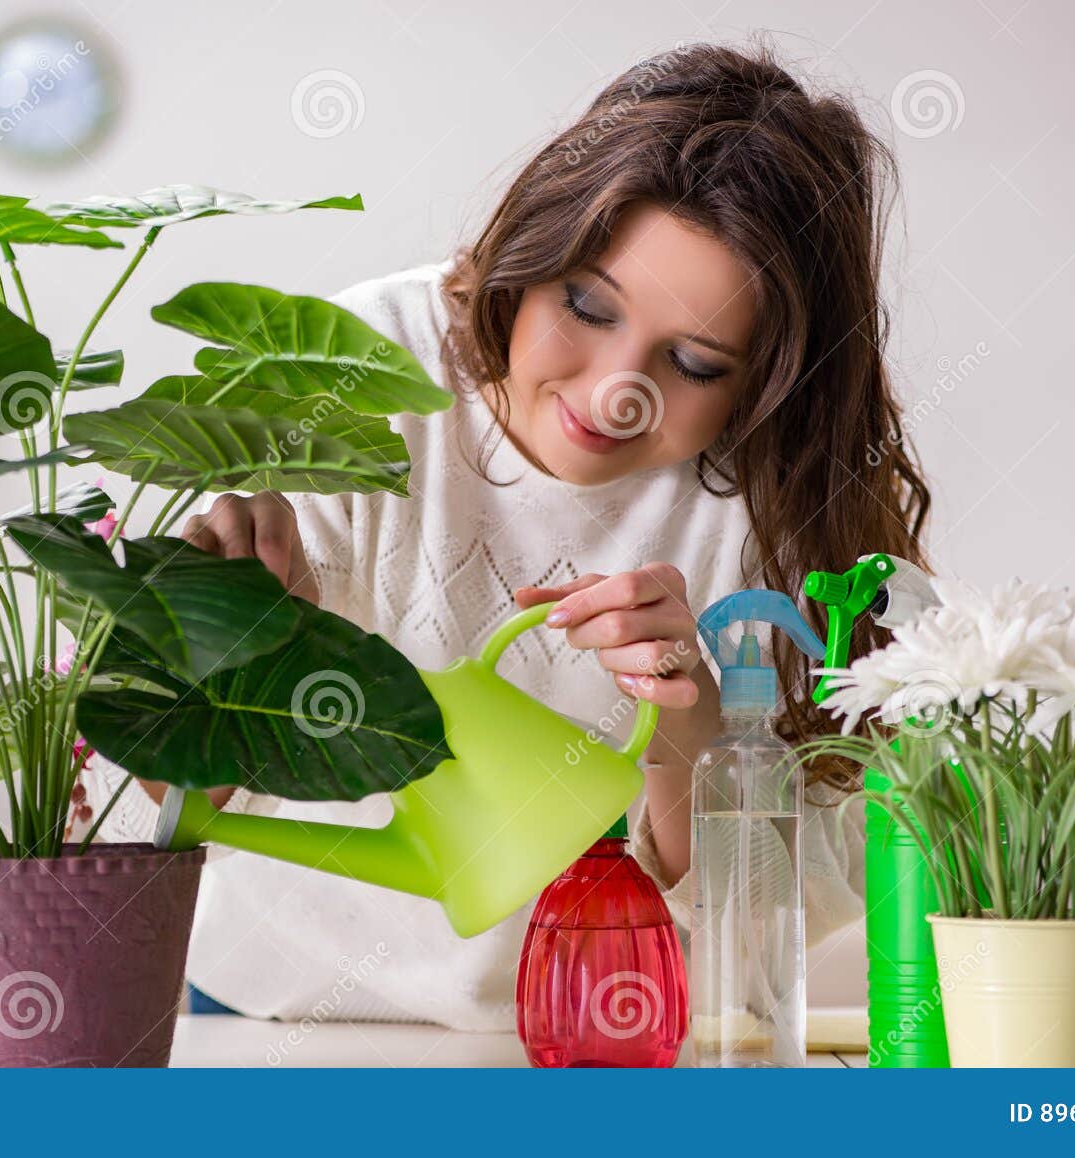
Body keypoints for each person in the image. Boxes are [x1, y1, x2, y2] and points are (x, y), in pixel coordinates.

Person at [90, 41, 930, 1030]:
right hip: (264, 1013)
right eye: (585, 306)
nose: (616, 391)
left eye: (696, 363)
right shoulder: (359, 378)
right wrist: (224, 659)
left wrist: (691, 742)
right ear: (525, 257)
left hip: (596, 1034)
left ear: (769, 384)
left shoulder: (783, 497)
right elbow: (160, 813)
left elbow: (778, 921)